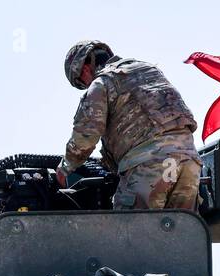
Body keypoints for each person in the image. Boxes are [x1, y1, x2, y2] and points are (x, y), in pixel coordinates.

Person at [57, 41, 202, 211]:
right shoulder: (149, 70)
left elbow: (87, 134)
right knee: (181, 232)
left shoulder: (101, 83)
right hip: (188, 162)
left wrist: (65, 167)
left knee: (131, 233)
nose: (86, 86)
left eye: (81, 82)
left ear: (85, 69)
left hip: (150, 165)